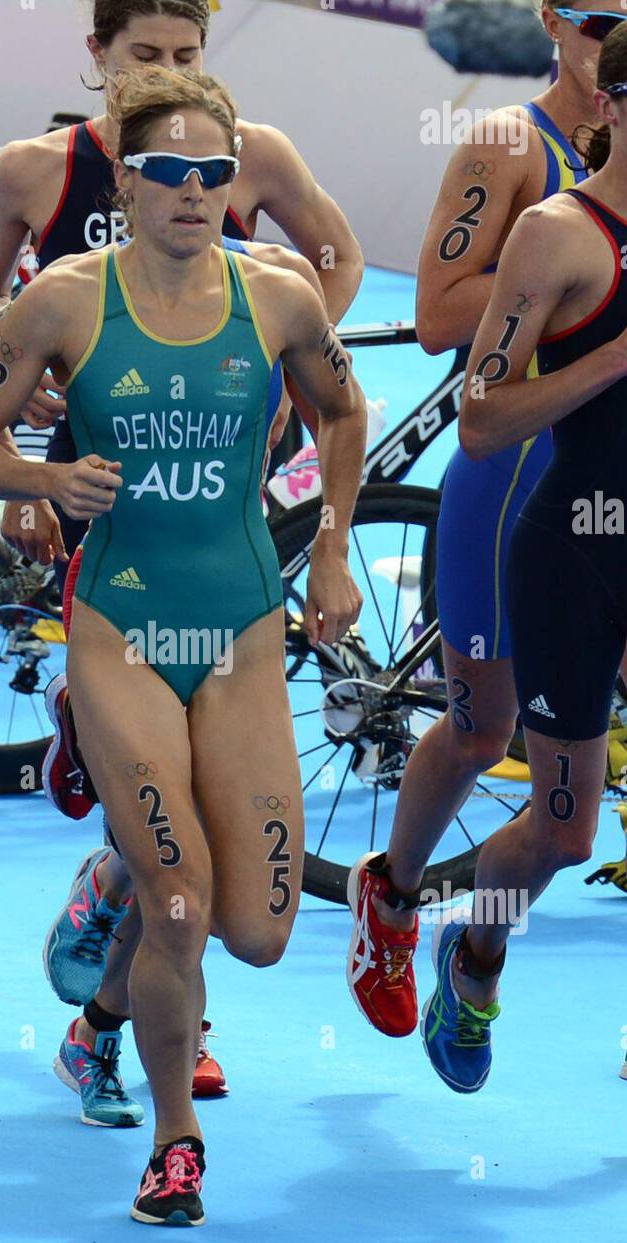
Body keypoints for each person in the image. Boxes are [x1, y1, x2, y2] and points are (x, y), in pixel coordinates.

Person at [0, 66, 367, 1223]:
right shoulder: (65, 303)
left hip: (237, 621)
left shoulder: (275, 294)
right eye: (167, 172)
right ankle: (175, 1146)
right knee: (184, 905)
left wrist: (328, 546)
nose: (192, 192)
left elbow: (342, 408)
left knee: (258, 931)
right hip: (119, 620)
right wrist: (43, 475)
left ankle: (105, 900)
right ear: (123, 180)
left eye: (212, 174)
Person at [345, 0, 627, 1041]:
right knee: (478, 729)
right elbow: (431, 316)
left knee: (564, 805)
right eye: (597, 14)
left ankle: (478, 955)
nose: (610, 31)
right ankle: (393, 890)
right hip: (516, 485)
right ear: (552, 22)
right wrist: (555, 291)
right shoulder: (512, 149)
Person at [431, 24, 627, 1090]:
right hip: (573, 555)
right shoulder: (557, 234)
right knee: (559, 836)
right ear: (610, 106)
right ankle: (471, 954)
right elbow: (480, 418)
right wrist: (609, 359)